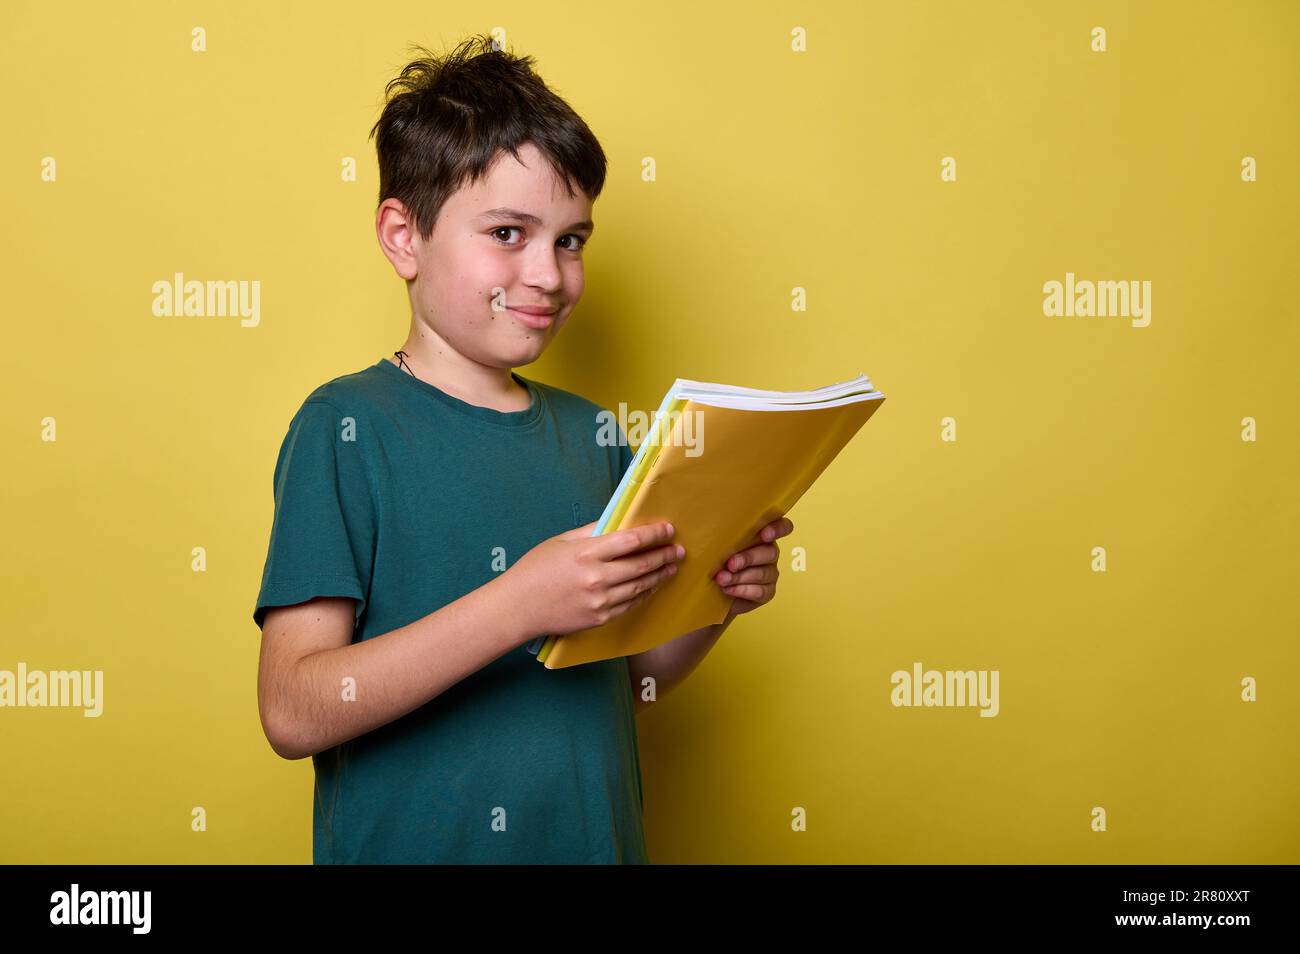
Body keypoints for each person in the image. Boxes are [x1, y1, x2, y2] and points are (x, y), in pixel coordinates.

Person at [251, 34, 793, 864]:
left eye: (571, 240)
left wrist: (717, 600)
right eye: (508, 232)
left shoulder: (596, 435)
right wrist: (518, 603)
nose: (548, 274)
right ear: (403, 236)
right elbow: (293, 709)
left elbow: (623, 688)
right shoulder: (346, 426)